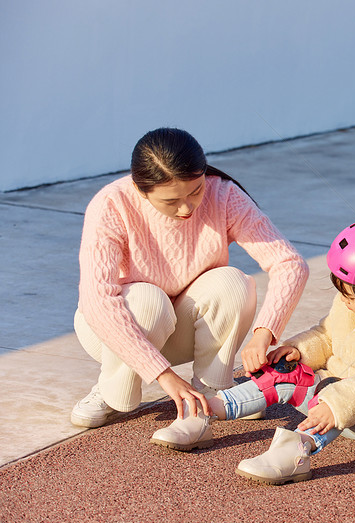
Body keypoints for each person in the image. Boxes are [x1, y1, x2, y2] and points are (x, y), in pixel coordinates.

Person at [149, 216, 355, 485]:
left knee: (331, 389)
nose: (343, 299)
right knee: (286, 370)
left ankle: (297, 451)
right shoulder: (354, 304)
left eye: (349, 294)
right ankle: (206, 412)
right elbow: (327, 335)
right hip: (339, 397)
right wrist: (297, 350)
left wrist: (335, 403)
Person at [71, 127, 309, 429]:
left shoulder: (223, 194)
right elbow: (97, 301)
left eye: (195, 191)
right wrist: (164, 376)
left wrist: (264, 333)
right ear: (141, 190)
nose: (187, 207)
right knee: (148, 301)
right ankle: (113, 390)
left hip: (177, 326)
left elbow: (290, 264)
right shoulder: (111, 204)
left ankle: (214, 387)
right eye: (171, 201)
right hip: (117, 329)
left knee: (233, 283)